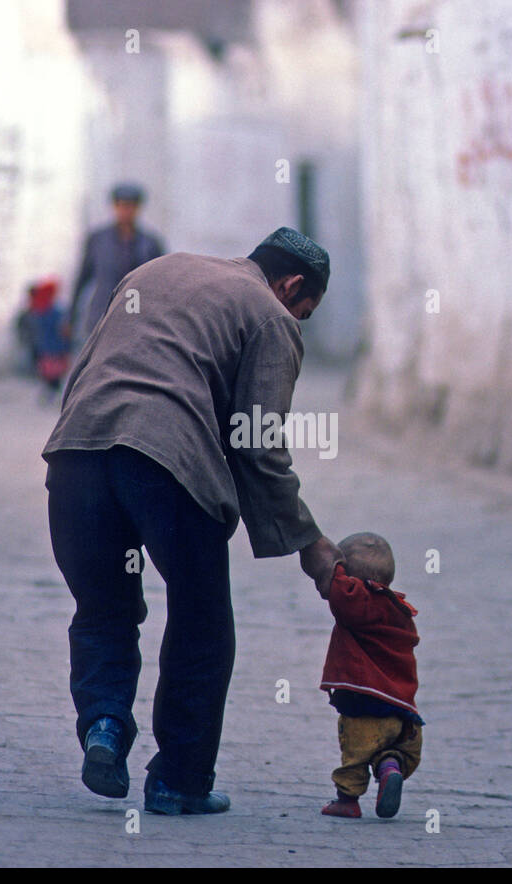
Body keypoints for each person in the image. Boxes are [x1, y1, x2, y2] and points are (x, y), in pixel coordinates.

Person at [42, 227, 344, 815]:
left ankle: (104, 723)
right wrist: (308, 543)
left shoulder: (155, 271)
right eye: (304, 312)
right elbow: (258, 445)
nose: (297, 321)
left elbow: (85, 372)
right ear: (292, 286)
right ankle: (179, 779)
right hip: (168, 465)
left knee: (103, 607)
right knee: (202, 619)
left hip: (75, 453)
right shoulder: (269, 315)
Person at [318, 532, 424, 820]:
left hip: (364, 703)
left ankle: (348, 801)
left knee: (355, 754)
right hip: (400, 710)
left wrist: (332, 563)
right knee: (385, 751)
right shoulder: (400, 610)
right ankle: (390, 768)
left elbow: (340, 592)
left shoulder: (361, 603)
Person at [66, 183, 165, 353]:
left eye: (130, 206)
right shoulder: (98, 240)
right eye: (121, 205)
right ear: (114, 207)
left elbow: (162, 284)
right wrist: (71, 316)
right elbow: (82, 278)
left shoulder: (150, 243)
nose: (126, 211)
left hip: (136, 313)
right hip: (102, 313)